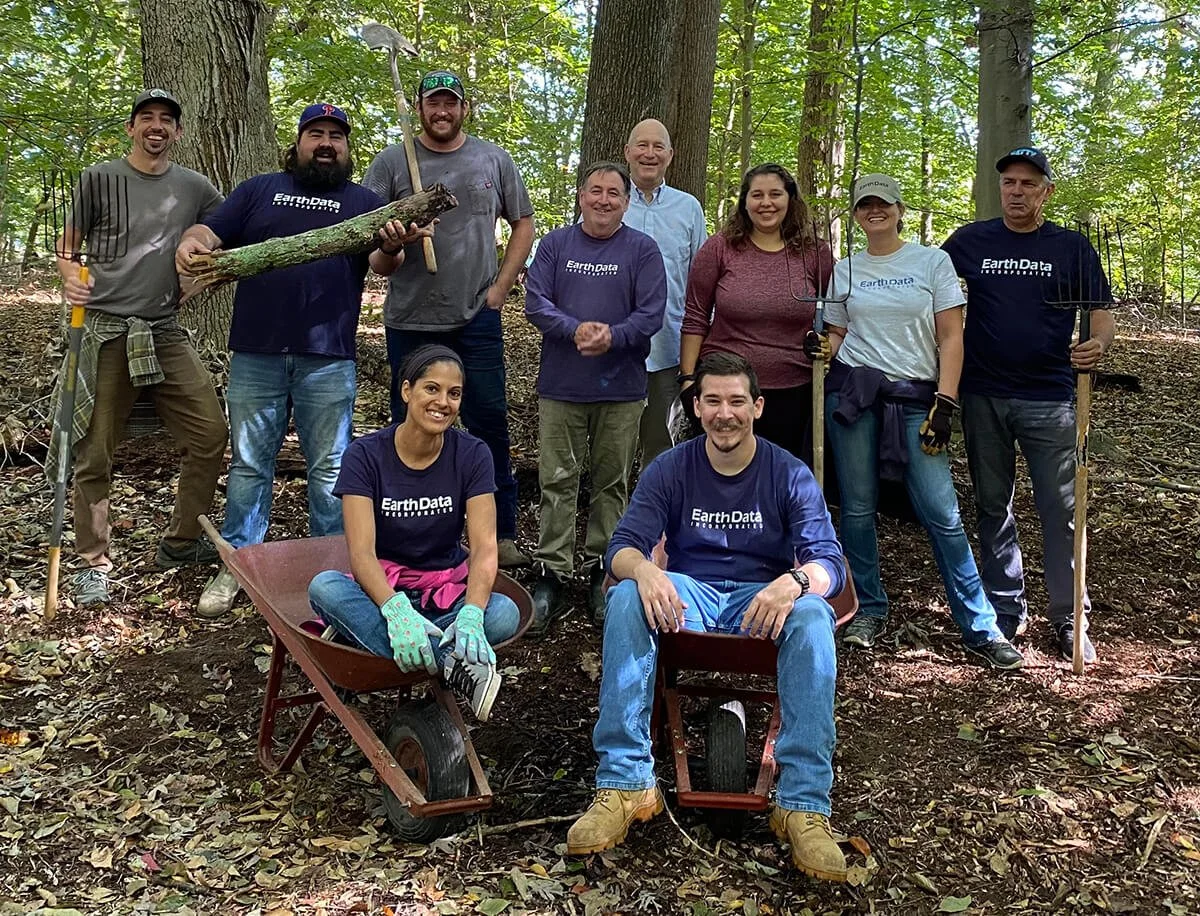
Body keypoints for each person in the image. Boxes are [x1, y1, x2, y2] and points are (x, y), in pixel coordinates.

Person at [567, 352, 849, 882]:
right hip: (689, 595)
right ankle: (625, 782)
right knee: (626, 596)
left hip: (760, 599)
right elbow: (621, 548)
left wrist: (793, 583)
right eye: (713, 401)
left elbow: (829, 563)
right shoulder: (671, 468)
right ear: (696, 407)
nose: (725, 414)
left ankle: (803, 804)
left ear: (757, 407)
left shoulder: (789, 474)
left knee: (813, 616)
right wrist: (644, 571)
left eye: (737, 401)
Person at [177, 103, 429, 618]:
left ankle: (333, 568)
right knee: (250, 464)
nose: (326, 143)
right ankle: (239, 562)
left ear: (347, 148)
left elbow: (384, 263)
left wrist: (393, 246)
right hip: (257, 352)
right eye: (316, 133)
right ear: (298, 143)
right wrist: (191, 243)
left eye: (336, 135)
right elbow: (210, 232)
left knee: (332, 467)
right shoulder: (260, 190)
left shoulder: (364, 202)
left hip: (328, 358)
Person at [807, 174, 1022, 669]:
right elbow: (838, 332)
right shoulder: (846, 269)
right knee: (857, 509)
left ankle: (980, 626)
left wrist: (945, 404)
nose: (875, 211)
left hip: (917, 400)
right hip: (855, 397)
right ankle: (868, 608)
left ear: (900, 210)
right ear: (856, 214)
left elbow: (951, 337)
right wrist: (823, 347)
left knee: (942, 513)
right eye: (865, 205)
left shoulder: (931, 262)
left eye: (883, 204)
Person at [51, 88, 228, 606]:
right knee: (93, 450)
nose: (156, 126)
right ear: (131, 127)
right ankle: (93, 562)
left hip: (164, 330)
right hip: (105, 328)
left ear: (178, 131)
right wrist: (70, 277)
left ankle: (181, 543)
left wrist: (201, 279)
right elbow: (67, 246)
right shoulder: (100, 178)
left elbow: (226, 232)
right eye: (146, 117)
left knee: (211, 433)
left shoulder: (195, 187)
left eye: (166, 119)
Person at [943, 148, 1114, 663]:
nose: (1016, 191)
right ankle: (1004, 610)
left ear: (1047, 192)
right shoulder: (971, 241)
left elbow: (1100, 313)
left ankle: (1069, 616)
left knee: (1061, 510)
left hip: (1049, 397)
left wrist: (1098, 345)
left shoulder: (1071, 248)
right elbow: (927, 288)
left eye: (1028, 183)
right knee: (992, 506)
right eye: (1009, 183)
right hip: (982, 394)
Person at [363, 69, 534, 570]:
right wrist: (392, 245)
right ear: (419, 108)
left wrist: (501, 287)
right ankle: (408, 539)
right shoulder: (393, 162)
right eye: (433, 103)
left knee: (488, 421)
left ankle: (500, 532)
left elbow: (523, 222)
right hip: (411, 319)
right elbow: (374, 256)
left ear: (464, 108)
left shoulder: (492, 159)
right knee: (409, 428)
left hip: (475, 318)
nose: (442, 111)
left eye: (451, 103)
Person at [307, 345, 520, 721]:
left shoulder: (472, 455)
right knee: (324, 587)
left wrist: (472, 613)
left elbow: (485, 548)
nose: (443, 402)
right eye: (431, 388)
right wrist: (395, 610)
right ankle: (451, 662)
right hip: (381, 592)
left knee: (504, 613)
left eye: (454, 394)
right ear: (407, 390)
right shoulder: (365, 456)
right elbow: (361, 554)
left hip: (444, 592)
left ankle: (368, 635)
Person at [523, 162, 666, 630]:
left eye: (613, 193)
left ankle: (605, 569)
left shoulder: (642, 250)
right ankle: (552, 571)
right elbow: (535, 301)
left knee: (612, 483)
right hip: (561, 385)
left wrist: (614, 337)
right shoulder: (555, 245)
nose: (604, 200)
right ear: (581, 196)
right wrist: (575, 329)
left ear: (626, 202)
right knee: (557, 480)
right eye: (595, 191)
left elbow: (652, 312)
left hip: (621, 389)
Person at [680, 163, 833, 461]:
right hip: (726, 389)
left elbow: (835, 319)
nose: (766, 203)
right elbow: (695, 316)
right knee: (725, 471)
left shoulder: (815, 253)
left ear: (790, 199)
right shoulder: (720, 248)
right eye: (757, 195)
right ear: (745, 201)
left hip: (795, 390)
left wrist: (829, 346)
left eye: (775, 194)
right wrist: (687, 379)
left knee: (781, 475)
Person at [621, 118, 707, 464]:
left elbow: (700, 284)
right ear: (627, 152)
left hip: (668, 349)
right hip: (614, 349)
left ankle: (654, 499)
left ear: (670, 155)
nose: (650, 153)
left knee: (661, 448)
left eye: (658, 147)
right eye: (642, 145)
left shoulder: (689, 208)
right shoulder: (607, 201)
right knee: (613, 448)